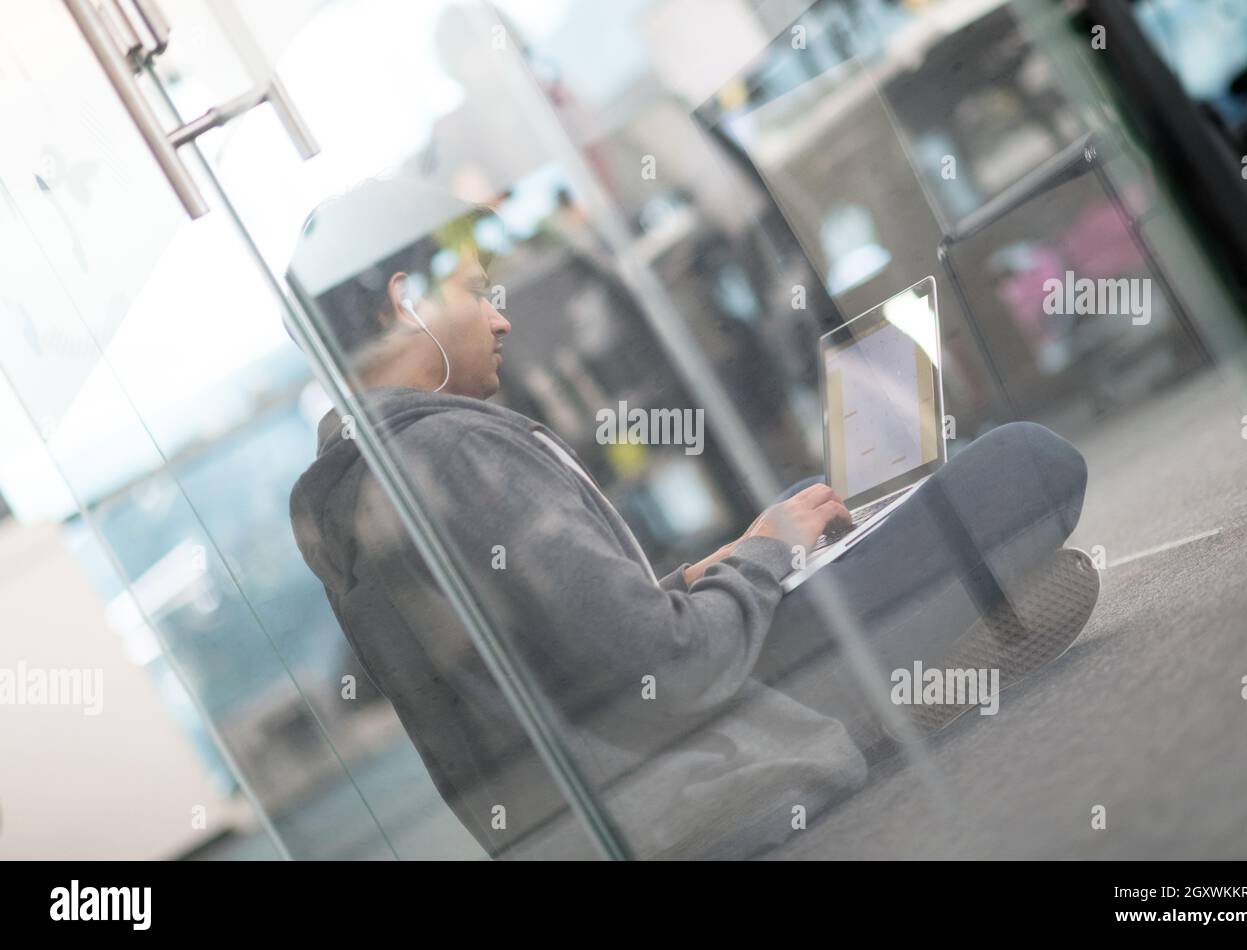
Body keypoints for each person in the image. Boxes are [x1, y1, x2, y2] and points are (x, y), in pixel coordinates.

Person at [287, 180, 1098, 859]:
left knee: (815, 499)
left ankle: (947, 643)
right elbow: (670, 665)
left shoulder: (360, 486)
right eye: (475, 293)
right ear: (403, 302)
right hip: (700, 779)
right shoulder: (455, 453)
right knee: (1025, 464)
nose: (501, 320)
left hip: (603, 810)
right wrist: (762, 563)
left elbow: (561, 653)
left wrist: (722, 565)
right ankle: (902, 678)